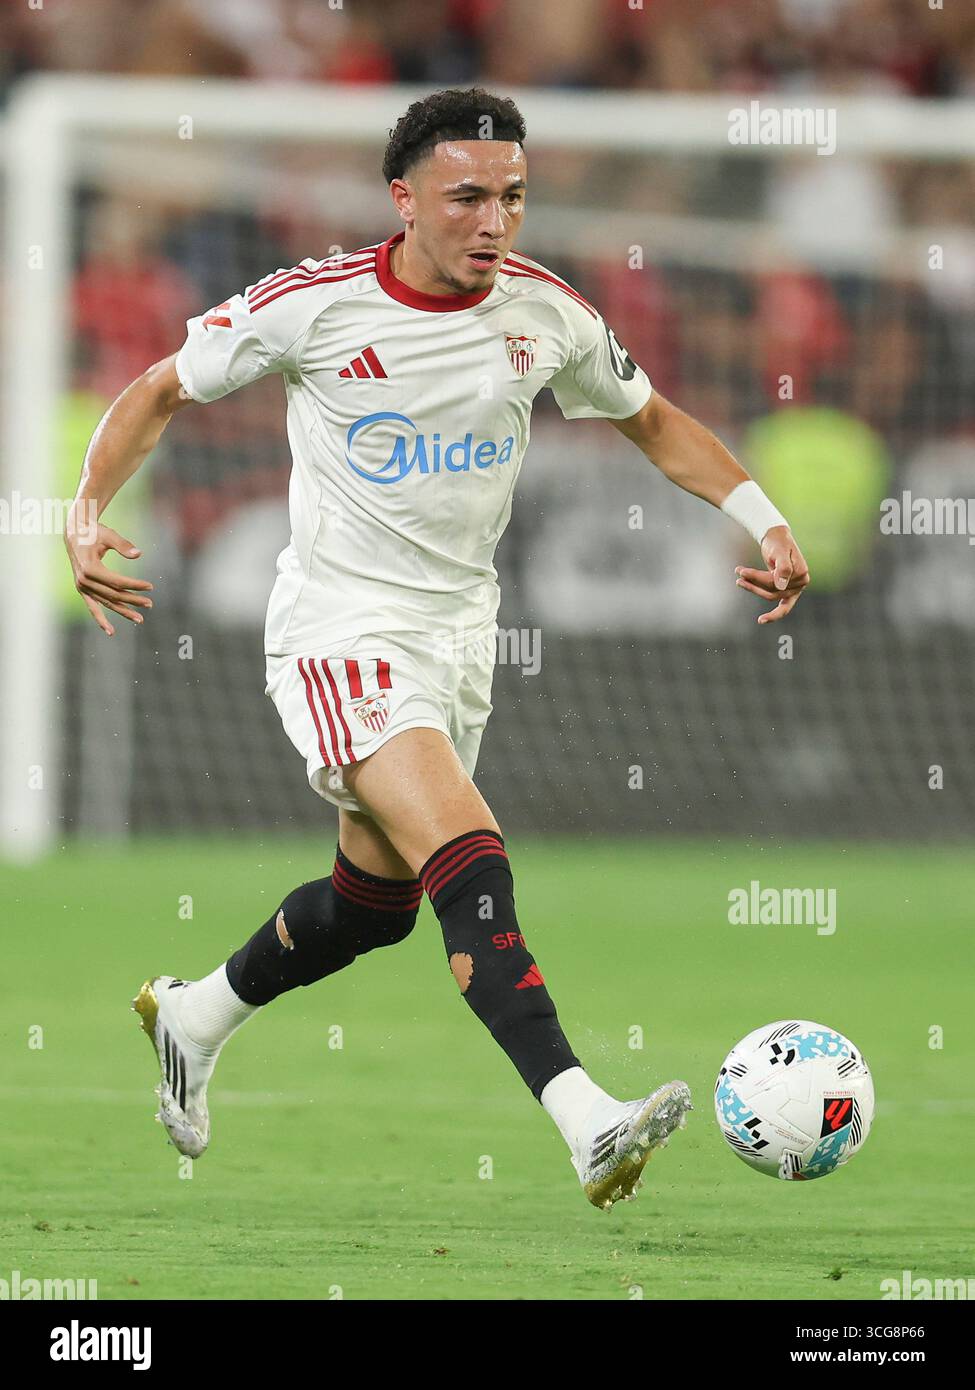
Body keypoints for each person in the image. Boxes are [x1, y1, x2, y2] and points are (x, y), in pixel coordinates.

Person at [64, 88, 809, 1211]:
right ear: (403, 199)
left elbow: (649, 417)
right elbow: (161, 389)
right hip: (338, 631)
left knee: (374, 906)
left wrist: (763, 515)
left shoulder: (544, 313)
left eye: (512, 196)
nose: (494, 219)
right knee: (472, 846)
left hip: (459, 637)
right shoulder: (310, 306)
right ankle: (584, 1117)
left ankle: (196, 1011)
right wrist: (84, 508)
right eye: (468, 195)